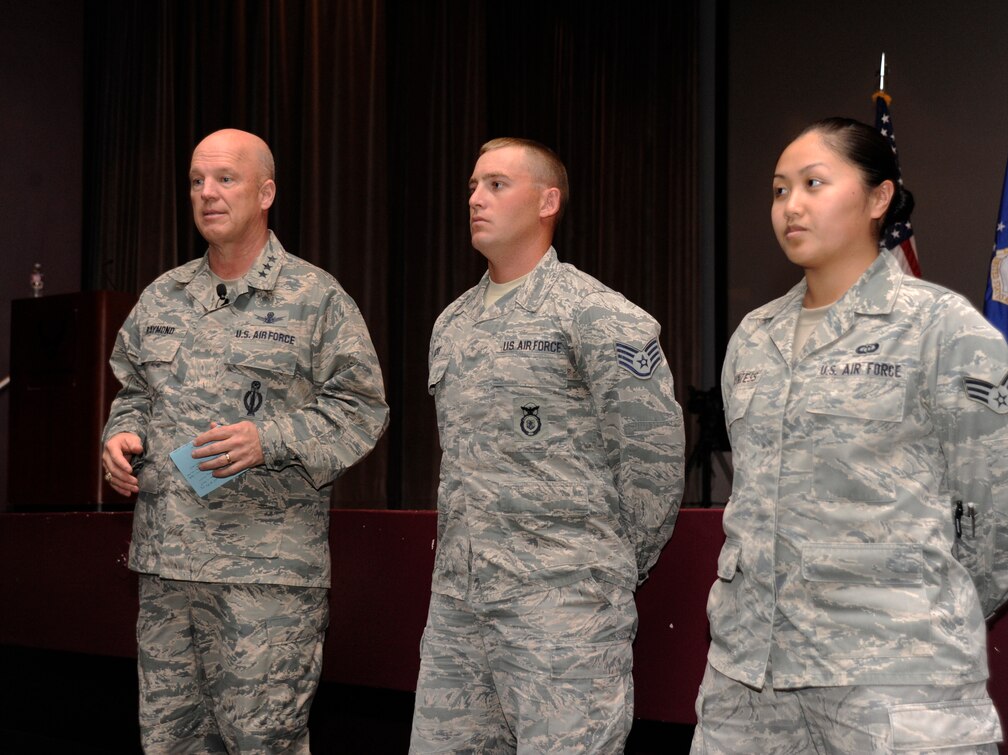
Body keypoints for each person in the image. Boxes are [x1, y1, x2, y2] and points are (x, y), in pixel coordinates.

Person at [690, 117, 1008, 754]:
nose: (790, 205)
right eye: (778, 190)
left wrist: (911, 615)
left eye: (813, 183)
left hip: (894, 685)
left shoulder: (941, 329)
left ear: (879, 198)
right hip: (748, 685)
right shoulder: (754, 337)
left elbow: (1006, 525)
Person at [101, 128, 389, 753]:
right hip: (166, 569)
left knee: (263, 744)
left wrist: (273, 438)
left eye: (225, 179)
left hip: (266, 580)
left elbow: (363, 409)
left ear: (266, 192)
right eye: (196, 181)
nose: (207, 193)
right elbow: (133, 392)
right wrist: (120, 434)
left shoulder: (315, 298)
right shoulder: (162, 297)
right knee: (170, 745)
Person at [409, 137, 686, 753]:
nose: (477, 198)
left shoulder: (599, 317)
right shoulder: (453, 324)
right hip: (460, 609)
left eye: (498, 185)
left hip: (564, 615)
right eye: (473, 187)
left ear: (547, 201)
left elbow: (654, 465)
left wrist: (597, 570)